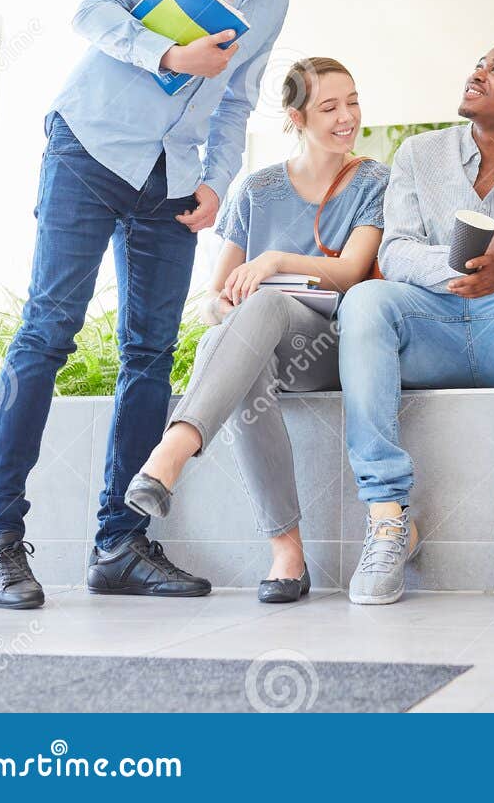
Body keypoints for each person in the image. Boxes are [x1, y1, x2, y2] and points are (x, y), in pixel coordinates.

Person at [0, 0, 359, 610]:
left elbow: (240, 99)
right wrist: (166, 56)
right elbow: (91, 10)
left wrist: (215, 182)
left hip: (172, 182)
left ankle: (119, 543)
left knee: (150, 352)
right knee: (48, 332)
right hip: (89, 146)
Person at [338, 38, 494, 608]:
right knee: (366, 300)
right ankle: (387, 519)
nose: (477, 73)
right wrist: (471, 265)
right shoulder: (417, 154)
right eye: (479, 63)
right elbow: (399, 251)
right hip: (433, 331)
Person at [124, 58, 388, 604]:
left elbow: (351, 271)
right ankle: (287, 555)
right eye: (330, 107)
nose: (348, 118)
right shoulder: (259, 188)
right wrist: (233, 309)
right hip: (259, 346)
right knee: (247, 347)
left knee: (265, 303)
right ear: (296, 117)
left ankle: (173, 452)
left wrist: (273, 262)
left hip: (335, 345)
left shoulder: (374, 182)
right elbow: (215, 302)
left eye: (353, 102)